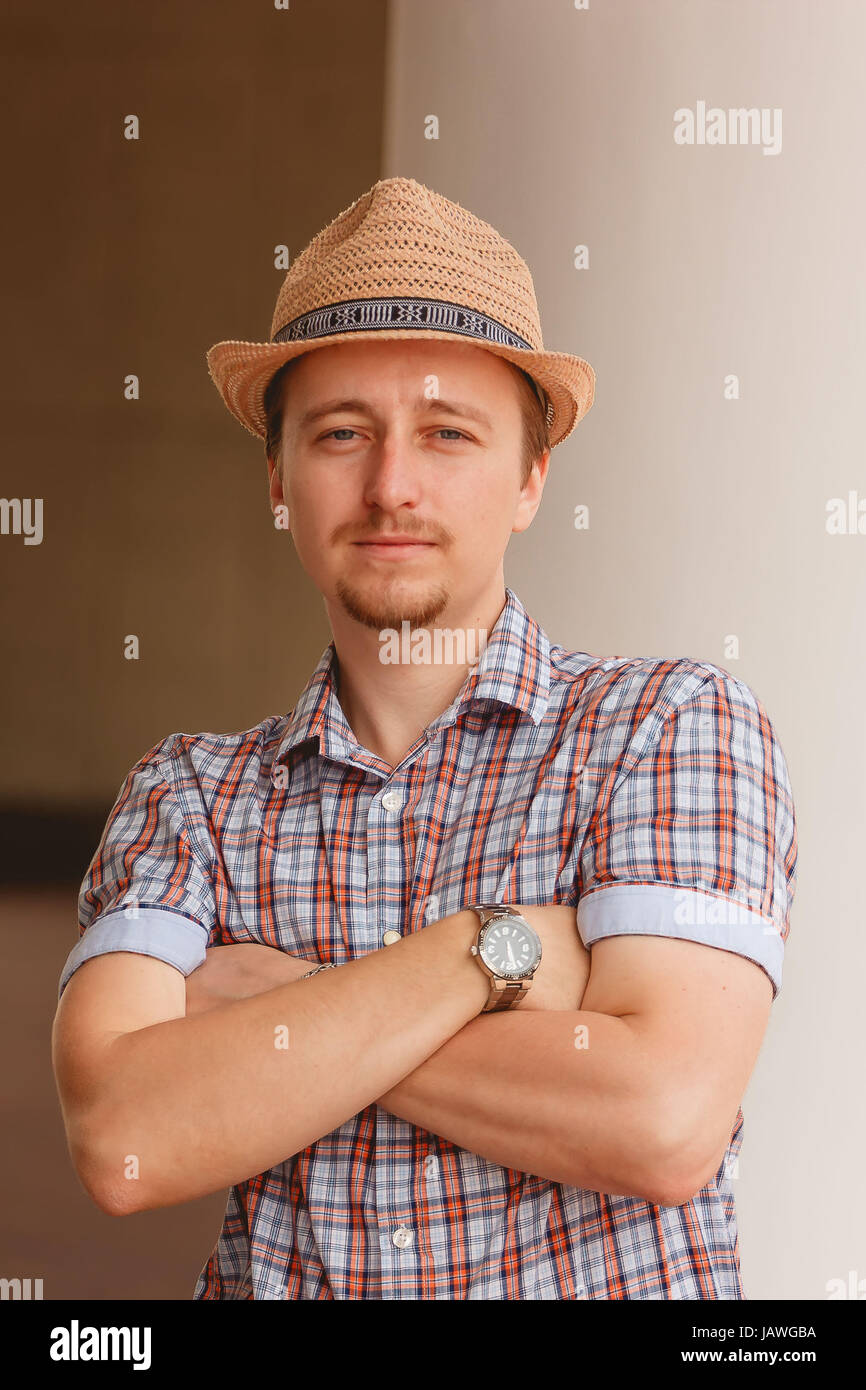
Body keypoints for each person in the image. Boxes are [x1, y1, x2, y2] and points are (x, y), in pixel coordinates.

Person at [52, 177, 798, 1300]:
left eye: (447, 432)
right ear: (277, 477)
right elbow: (124, 1138)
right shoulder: (186, 795)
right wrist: (493, 953)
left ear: (530, 477)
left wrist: (283, 1008)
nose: (390, 485)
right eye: (342, 433)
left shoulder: (668, 729)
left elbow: (659, 1119)